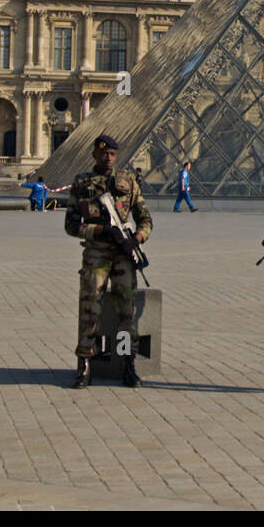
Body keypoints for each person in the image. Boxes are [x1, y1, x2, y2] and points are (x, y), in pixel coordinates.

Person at [65, 134, 152, 389]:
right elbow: (71, 226)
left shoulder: (128, 181)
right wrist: (100, 231)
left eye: (113, 153)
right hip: (96, 256)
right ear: (94, 154)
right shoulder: (81, 183)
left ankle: (127, 363)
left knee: (127, 313)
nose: (108, 157)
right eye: (103, 153)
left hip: (124, 255)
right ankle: (84, 365)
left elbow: (145, 218)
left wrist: (136, 238)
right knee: (89, 310)